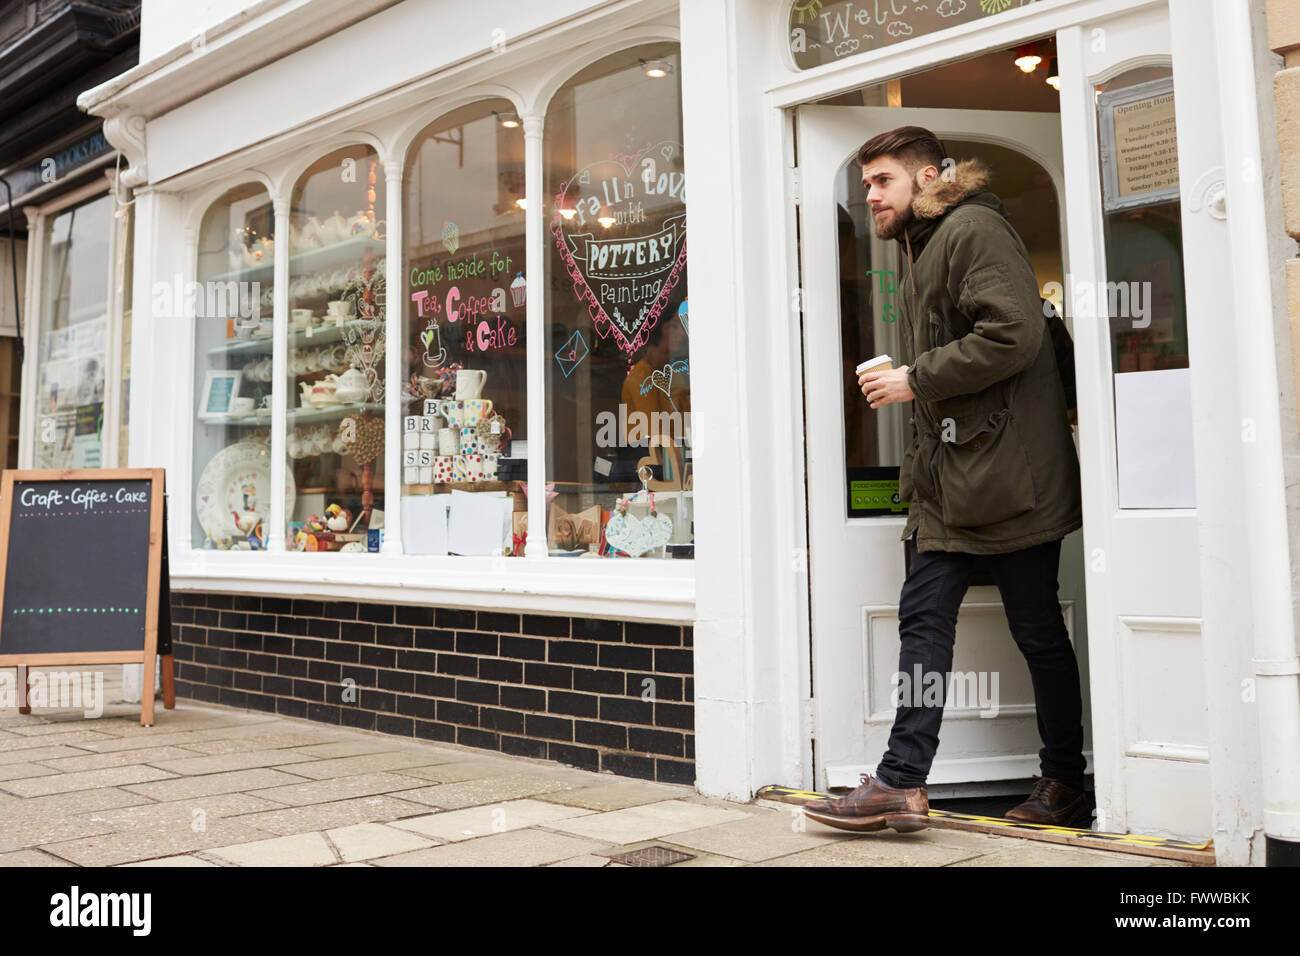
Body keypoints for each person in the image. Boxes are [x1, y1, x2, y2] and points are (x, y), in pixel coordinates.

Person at [802, 126, 1089, 834]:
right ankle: (902, 780)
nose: (869, 194)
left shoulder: (971, 232)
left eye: (882, 181)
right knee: (924, 619)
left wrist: (912, 379)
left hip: (1011, 478)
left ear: (929, 178)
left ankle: (1063, 780)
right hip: (951, 482)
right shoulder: (922, 247)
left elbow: (1013, 335)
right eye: (865, 182)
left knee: (1036, 629)